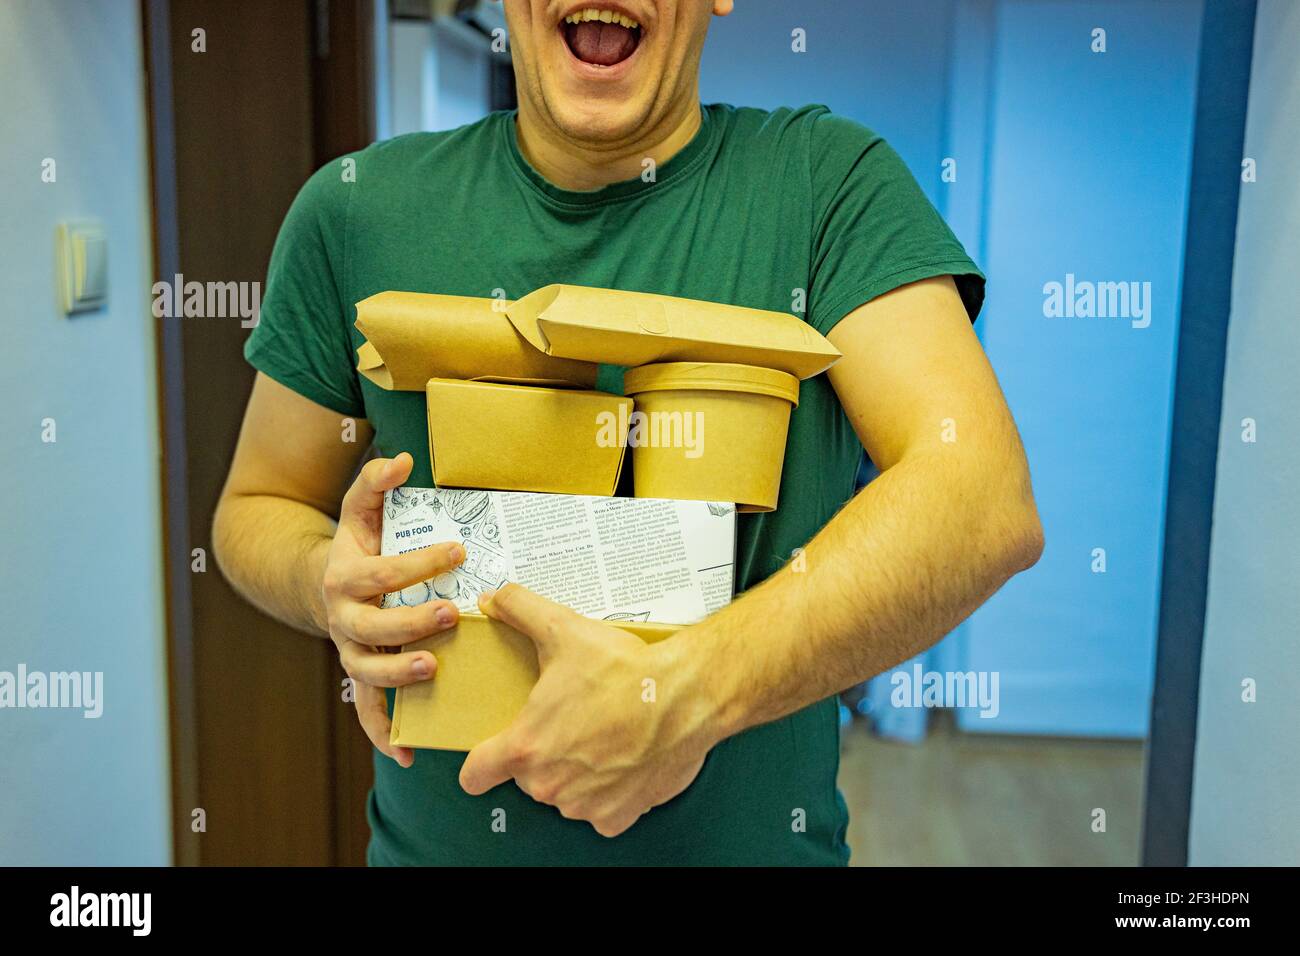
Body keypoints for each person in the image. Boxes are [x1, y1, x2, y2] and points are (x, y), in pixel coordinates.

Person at [213, 0, 1043, 865]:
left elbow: (981, 498)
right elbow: (256, 505)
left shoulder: (827, 184)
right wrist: (328, 584)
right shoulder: (356, 211)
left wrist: (680, 694)